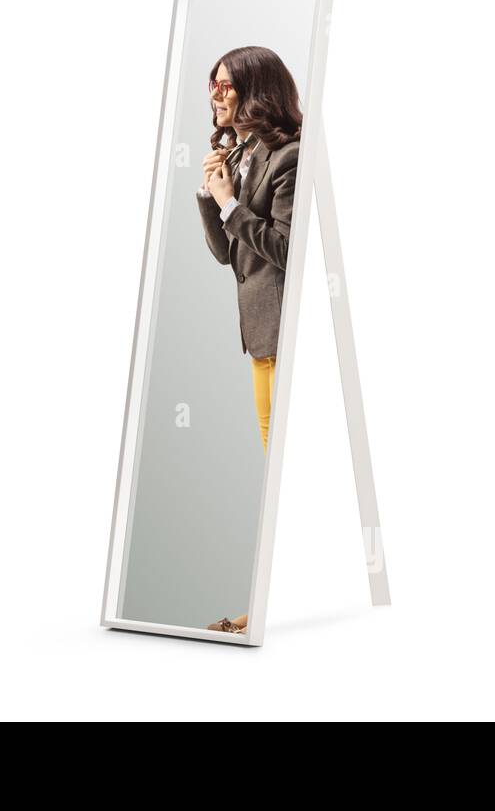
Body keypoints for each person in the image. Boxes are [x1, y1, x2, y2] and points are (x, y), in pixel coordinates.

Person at [195, 45, 301, 635]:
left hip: (284, 330)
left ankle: (265, 603)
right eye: (213, 84)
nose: (216, 94)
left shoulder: (289, 156)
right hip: (258, 332)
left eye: (227, 85)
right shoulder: (248, 152)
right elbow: (228, 255)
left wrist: (231, 201)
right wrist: (215, 197)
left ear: (257, 90)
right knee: (270, 464)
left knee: (280, 468)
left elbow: (287, 249)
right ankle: (265, 601)